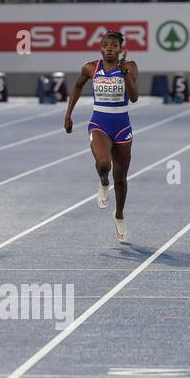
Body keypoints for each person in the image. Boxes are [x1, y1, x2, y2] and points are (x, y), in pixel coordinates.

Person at [63, 31, 138, 243]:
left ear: (120, 49)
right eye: (106, 45)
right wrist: (68, 114)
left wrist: (124, 74)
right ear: (100, 48)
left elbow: (134, 97)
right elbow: (77, 86)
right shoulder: (91, 67)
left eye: (114, 45)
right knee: (104, 164)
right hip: (99, 123)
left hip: (122, 126)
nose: (110, 49)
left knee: (121, 178)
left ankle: (119, 215)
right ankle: (103, 181)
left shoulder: (130, 67)